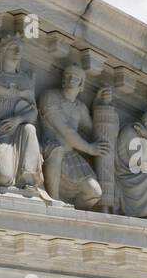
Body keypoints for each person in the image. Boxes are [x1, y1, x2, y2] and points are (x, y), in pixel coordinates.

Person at [0, 37, 43, 193]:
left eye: (20, 49)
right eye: (13, 48)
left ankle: (29, 181)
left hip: (16, 134)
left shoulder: (25, 79)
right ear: (2, 51)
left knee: (29, 129)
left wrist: (18, 119)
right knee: (4, 176)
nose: (18, 52)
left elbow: (33, 112)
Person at [39, 63, 109, 208]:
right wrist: (90, 149)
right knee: (57, 150)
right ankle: (54, 199)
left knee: (94, 191)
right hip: (48, 149)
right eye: (67, 76)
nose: (70, 79)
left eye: (75, 77)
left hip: (70, 156)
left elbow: (93, 131)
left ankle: (72, 210)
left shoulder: (80, 107)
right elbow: (64, 130)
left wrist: (99, 104)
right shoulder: (50, 97)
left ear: (81, 84)